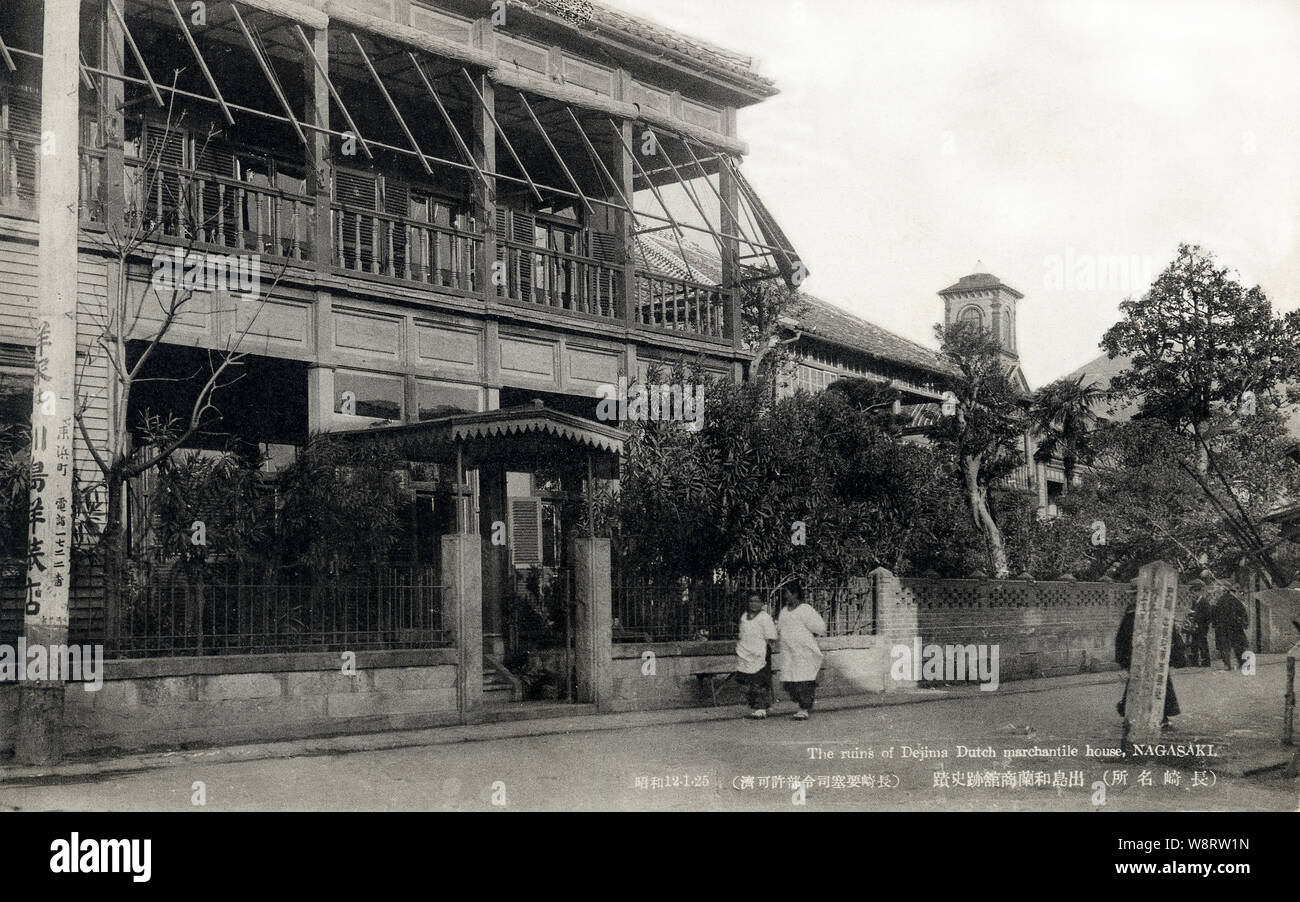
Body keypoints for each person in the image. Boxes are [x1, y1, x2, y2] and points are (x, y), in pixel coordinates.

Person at [1114, 599, 1182, 729]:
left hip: (1152, 657)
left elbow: (1169, 632)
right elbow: (1123, 639)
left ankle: (1159, 716)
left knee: (1157, 685)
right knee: (1142, 685)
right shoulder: (1132, 615)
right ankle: (1136, 716)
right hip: (1139, 657)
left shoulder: (1137, 613)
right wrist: (1124, 661)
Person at [776, 583, 826, 720]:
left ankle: (804, 709)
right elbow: (779, 628)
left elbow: (820, 627)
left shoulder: (805, 609)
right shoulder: (784, 611)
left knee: (803, 679)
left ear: (796, 594)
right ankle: (802, 705)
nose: (786, 596)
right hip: (788, 653)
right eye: (785, 593)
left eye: (788, 593)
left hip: (803, 652)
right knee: (790, 681)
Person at [735, 592, 778, 719]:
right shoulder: (744, 617)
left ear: (762, 603)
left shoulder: (765, 618)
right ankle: (756, 706)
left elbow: (771, 636)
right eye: (751, 601)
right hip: (745, 653)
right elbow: (742, 634)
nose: (753, 604)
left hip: (761, 653)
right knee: (747, 681)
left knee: (759, 681)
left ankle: (761, 708)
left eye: (757, 601)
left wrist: (763, 650)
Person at [1210, 581, 1250, 672]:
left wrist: (1215, 624)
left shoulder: (1218, 601)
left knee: (1224, 648)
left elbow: (1212, 614)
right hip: (1235, 628)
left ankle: (1227, 665)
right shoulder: (1234, 600)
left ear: (1223, 591)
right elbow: (1242, 612)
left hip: (1222, 628)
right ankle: (1242, 663)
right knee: (1238, 647)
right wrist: (1244, 623)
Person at [1187, 579, 1213, 668]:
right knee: (1194, 644)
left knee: (1203, 644)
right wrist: (1190, 614)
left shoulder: (1204, 602)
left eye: (1193, 593)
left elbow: (1208, 615)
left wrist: (1196, 616)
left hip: (1202, 627)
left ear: (1198, 592)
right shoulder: (1195, 602)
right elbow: (1193, 612)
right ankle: (1195, 662)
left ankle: (1206, 662)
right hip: (1195, 627)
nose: (1192, 595)